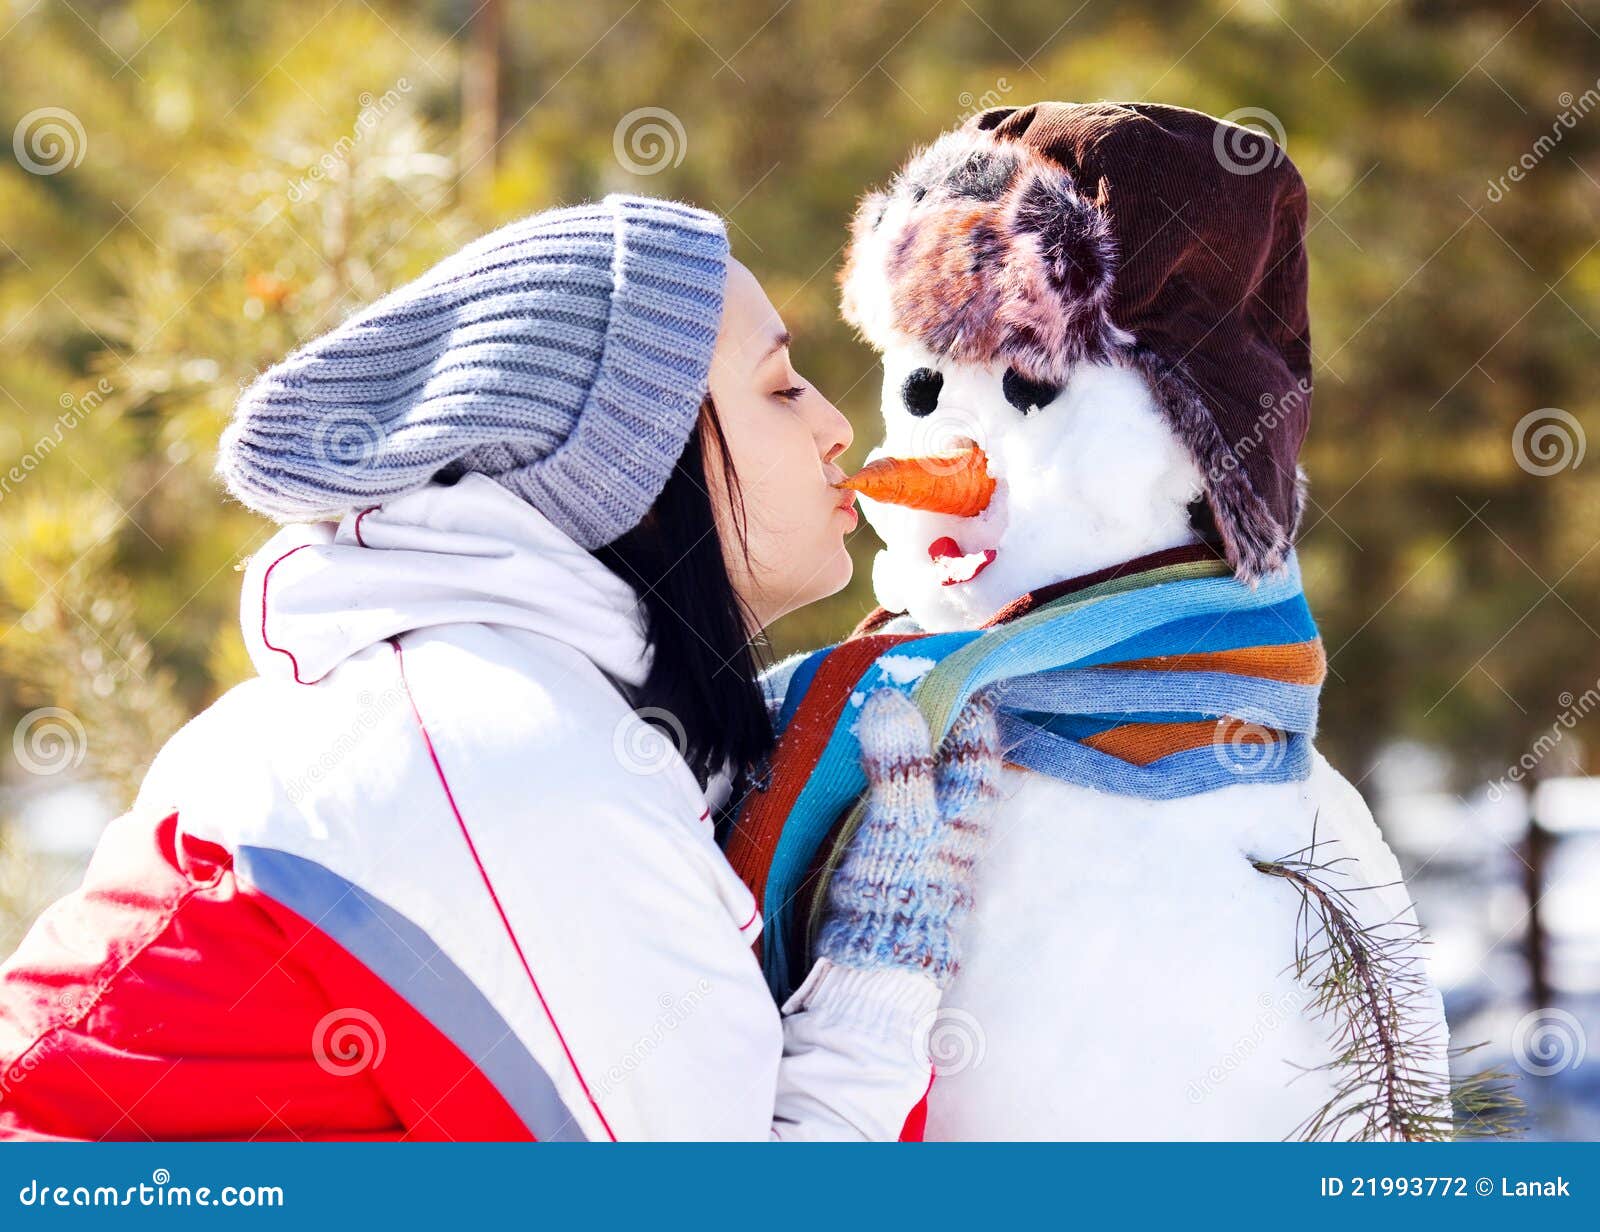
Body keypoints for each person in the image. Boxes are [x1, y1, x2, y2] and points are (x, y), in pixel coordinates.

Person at [0, 195, 999, 1141]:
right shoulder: (501, 756)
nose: (834, 425)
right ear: (641, 484)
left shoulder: (490, 712)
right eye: (779, 388)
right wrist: (880, 977)